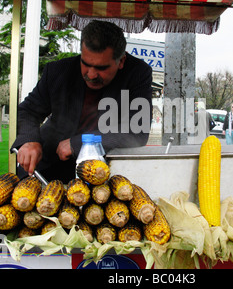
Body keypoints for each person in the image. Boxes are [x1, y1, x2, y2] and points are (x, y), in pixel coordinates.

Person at [11, 20, 153, 183]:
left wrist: (78, 143)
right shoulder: (58, 72)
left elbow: (137, 133)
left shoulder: (138, 73)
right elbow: (28, 111)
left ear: (121, 61)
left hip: (102, 173)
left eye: (101, 68)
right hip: (47, 169)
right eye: (85, 64)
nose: (91, 75)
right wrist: (29, 139)